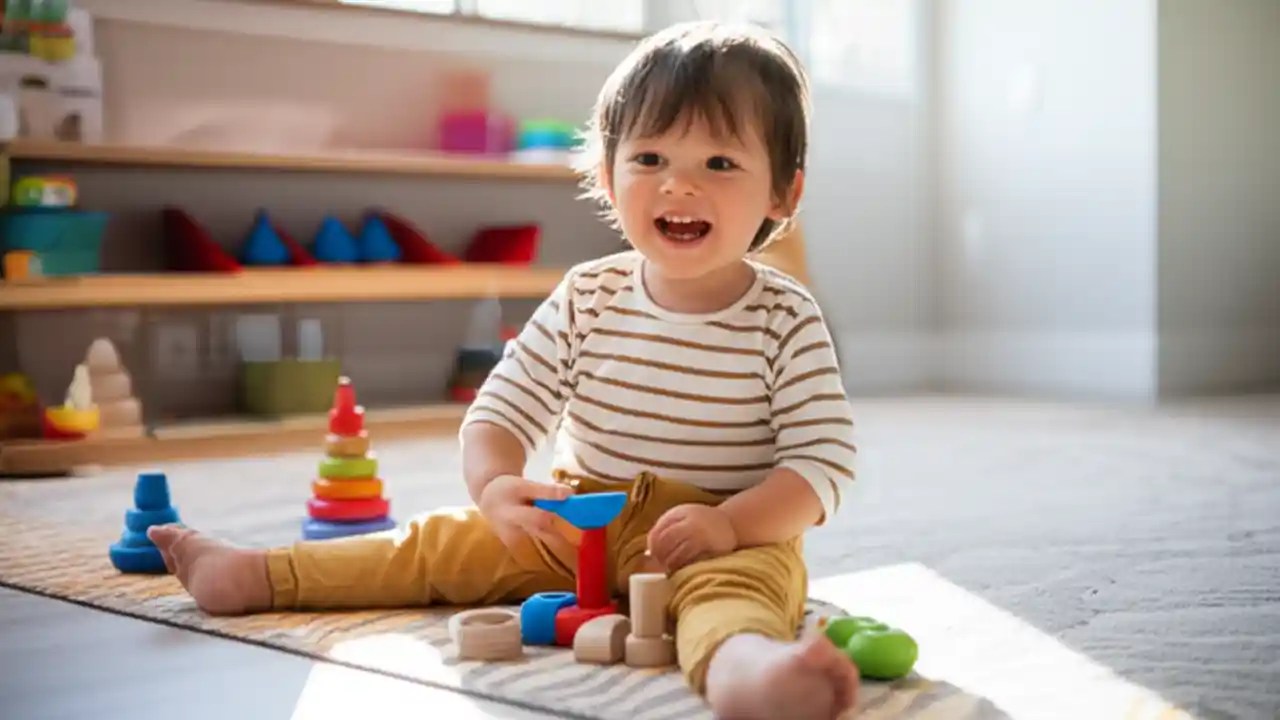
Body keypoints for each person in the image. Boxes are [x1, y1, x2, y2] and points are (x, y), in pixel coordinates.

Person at [149, 20, 861, 720]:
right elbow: (502, 409)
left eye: (719, 164)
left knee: (733, 602)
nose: (678, 187)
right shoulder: (588, 295)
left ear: (783, 196)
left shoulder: (785, 318)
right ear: (607, 180)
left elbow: (819, 467)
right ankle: (258, 574)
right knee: (432, 547)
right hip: (574, 521)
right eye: (649, 160)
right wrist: (496, 487)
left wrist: (732, 526)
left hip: (718, 537)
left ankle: (753, 676)